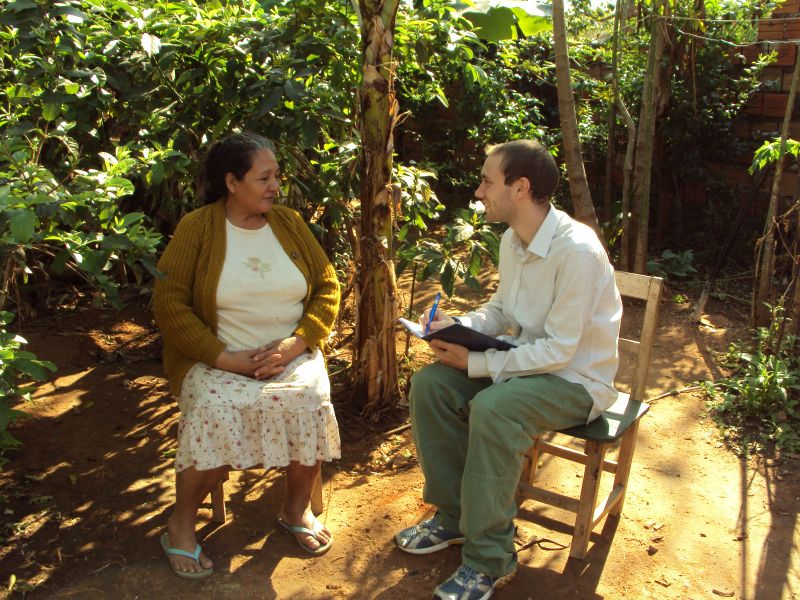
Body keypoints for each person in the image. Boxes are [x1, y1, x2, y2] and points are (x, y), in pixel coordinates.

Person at [394, 140, 622, 599]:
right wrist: (457, 326)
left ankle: (489, 557)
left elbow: (560, 351)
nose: (478, 191)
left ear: (520, 187)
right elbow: (500, 311)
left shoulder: (576, 251)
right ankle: (455, 516)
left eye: (486, 181)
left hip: (576, 381)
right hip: (523, 361)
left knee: (496, 409)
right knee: (431, 384)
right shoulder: (511, 240)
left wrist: (480, 361)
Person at [153, 132, 341, 579]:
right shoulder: (197, 228)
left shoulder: (290, 224)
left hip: (291, 356)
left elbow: (327, 287)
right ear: (232, 182)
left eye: (277, 175)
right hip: (217, 360)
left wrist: (297, 343)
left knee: (308, 401)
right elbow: (169, 303)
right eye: (264, 177)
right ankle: (180, 526)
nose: (276, 185)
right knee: (215, 409)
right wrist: (225, 358)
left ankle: (294, 511)